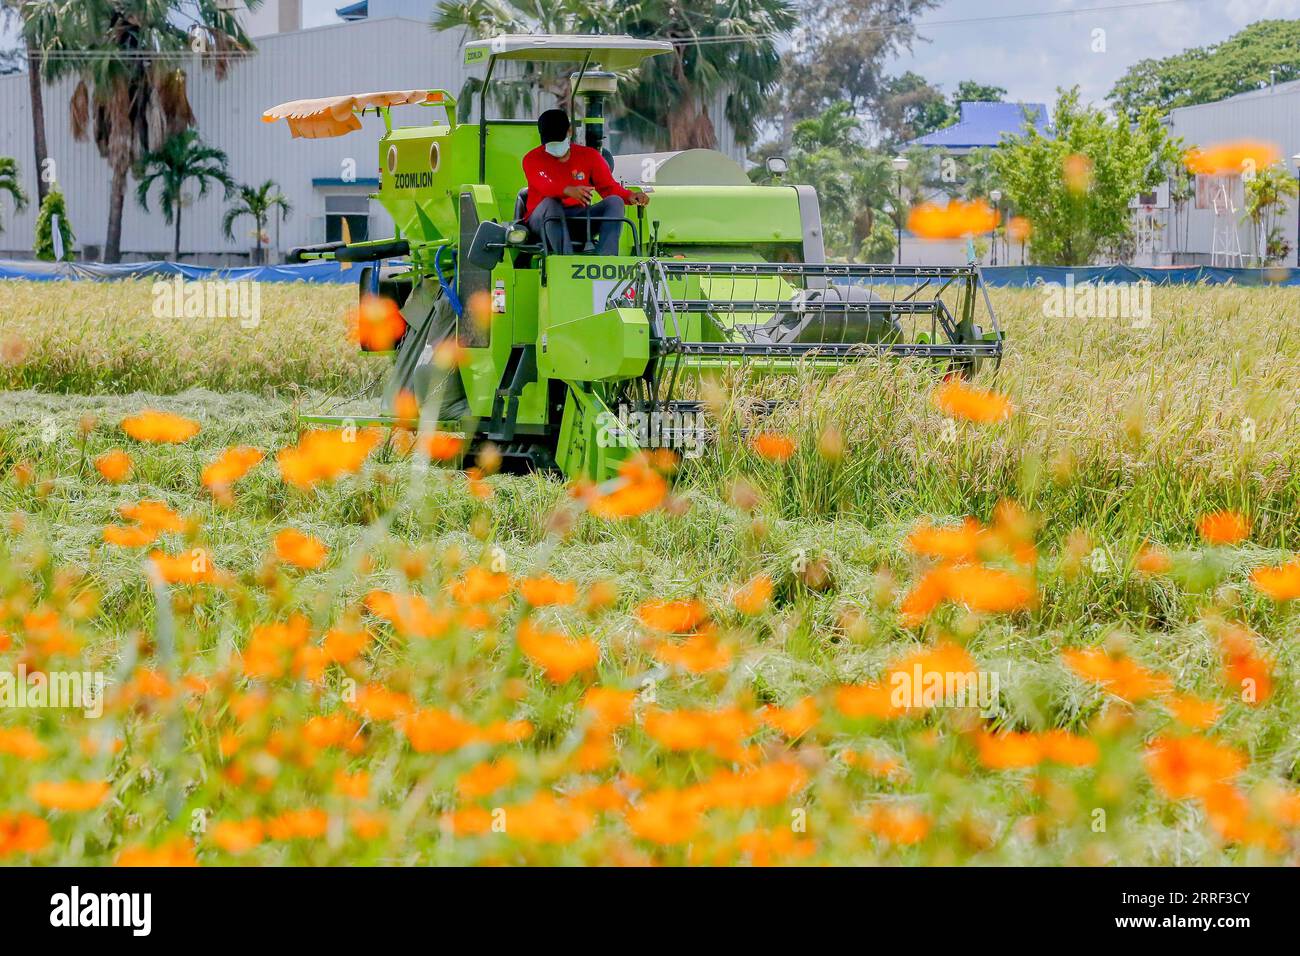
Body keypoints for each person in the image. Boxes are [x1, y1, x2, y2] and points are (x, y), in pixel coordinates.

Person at [522, 108, 649, 255]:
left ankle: (606, 260)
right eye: (550, 141)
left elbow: (608, 187)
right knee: (551, 203)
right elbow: (544, 185)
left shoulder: (589, 156)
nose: (555, 145)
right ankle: (566, 260)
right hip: (542, 221)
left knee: (615, 202)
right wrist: (567, 190)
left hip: (579, 218)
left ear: (569, 132)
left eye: (558, 139)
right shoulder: (532, 159)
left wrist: (629, 196)